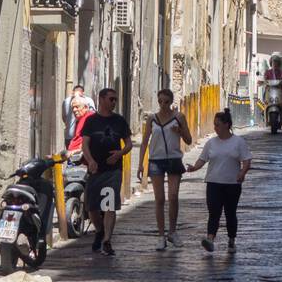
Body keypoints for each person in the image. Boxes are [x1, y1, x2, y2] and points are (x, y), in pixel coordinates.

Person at [186, 110, 253, 253]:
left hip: (232, 184)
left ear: (226, 125)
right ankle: (210, 239)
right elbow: (202, 159)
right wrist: (193, 168)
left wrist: (242, 172)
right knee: (214, 212)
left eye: (217, 125)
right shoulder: (211, 143)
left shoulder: (238, 142)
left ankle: (231, 239)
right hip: (213, 182)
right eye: (214, 125)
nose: (215, 128)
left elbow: (247, 161)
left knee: (230, 213)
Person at [137, 88, 192, 250]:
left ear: (171, 102)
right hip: (156, 160)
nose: (163, 105)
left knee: (173, 196)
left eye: (166, 102)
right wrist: (140, 164)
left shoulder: (179, 117)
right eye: (160, 101)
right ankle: (161, 236)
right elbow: (144, 142)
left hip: (174, 159)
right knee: (159, 199)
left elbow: (189, 140)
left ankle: (172, 232)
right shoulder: (152, 119)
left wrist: (180, 131)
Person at [81, 88, 132, 257]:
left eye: (115, 99)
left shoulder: (119, 121)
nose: (114, 102)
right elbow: (85, 144)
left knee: (109, 205)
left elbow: (129, 144)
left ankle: (107, 240)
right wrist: (90, 160)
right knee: (92, 206)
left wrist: (120, 153)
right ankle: (100, 230)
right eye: (111, 99)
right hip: (95, 169)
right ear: (101, 99)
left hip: (113, 170)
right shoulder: (91, 121)